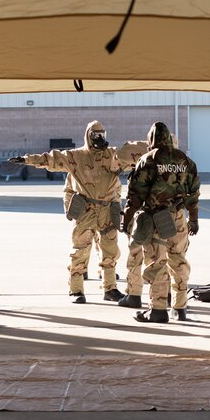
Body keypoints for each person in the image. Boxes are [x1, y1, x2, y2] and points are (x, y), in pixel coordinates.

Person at [9, 121, 147, 303]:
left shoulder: (113, 155)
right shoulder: (77, 157)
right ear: (88, 136)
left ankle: (110, 288)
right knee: (80, 249)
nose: (99, 138)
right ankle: (76, 289)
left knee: (110, 250)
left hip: (107, 209)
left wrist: (157, 146)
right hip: (86, 210)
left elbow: (135, 151)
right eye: (95, 135)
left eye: (102, 134)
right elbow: (52, 158)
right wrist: (27, 160)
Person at [121, 122, 201, 323]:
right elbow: (194, 193)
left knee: (157, 263)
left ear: (151, 139)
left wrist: (127, 219)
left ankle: (157, 310)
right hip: (178, 219)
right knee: (179, 262)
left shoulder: (147, 160)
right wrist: (194, 219)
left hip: (156, 219)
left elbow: (135, 196)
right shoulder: (185, 160)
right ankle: (180, 307)